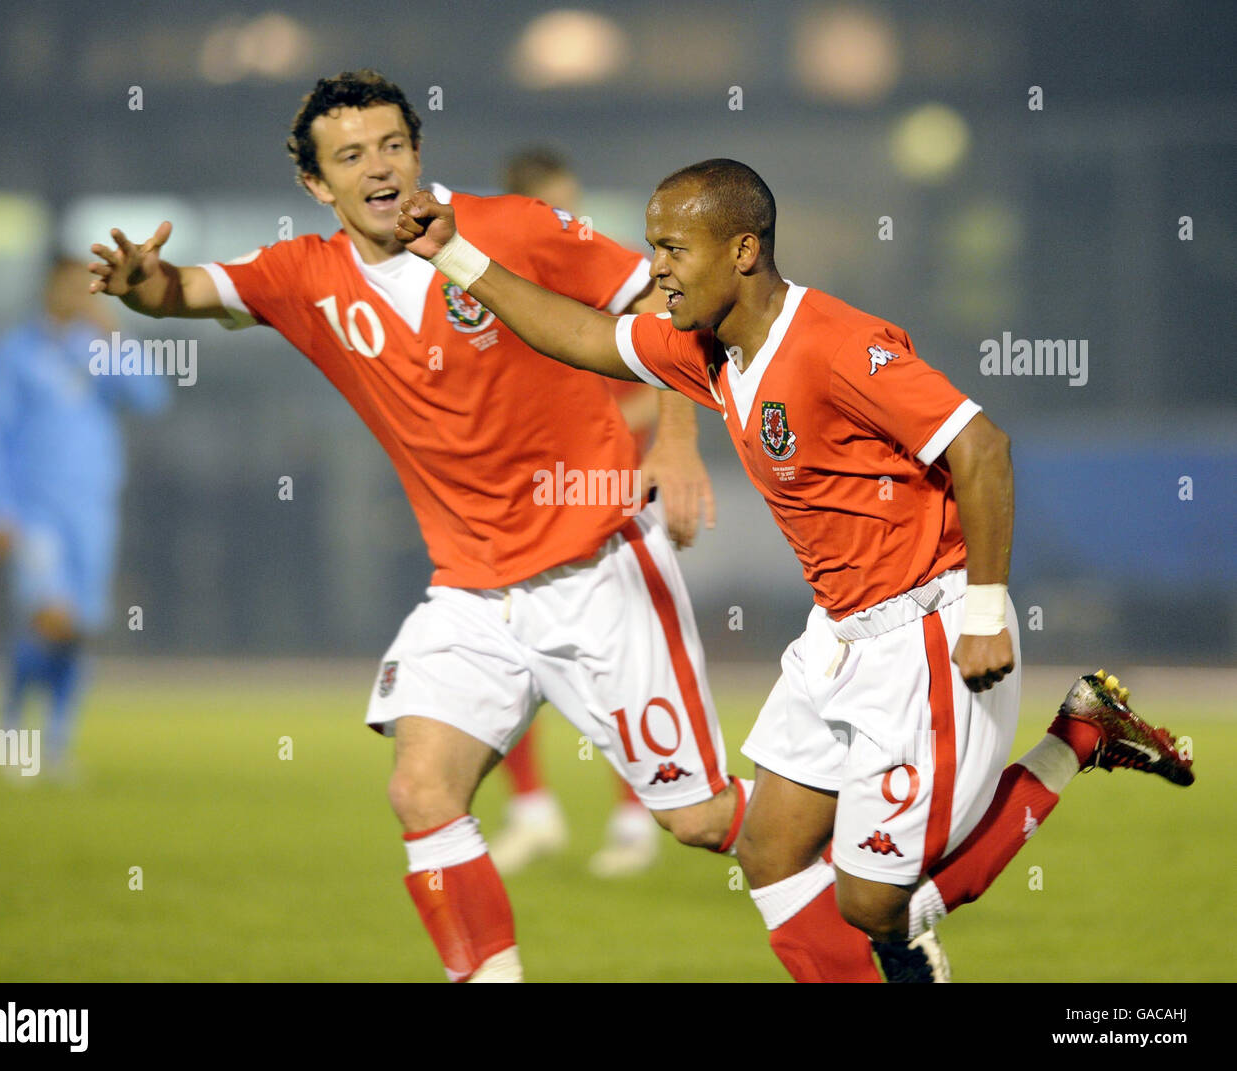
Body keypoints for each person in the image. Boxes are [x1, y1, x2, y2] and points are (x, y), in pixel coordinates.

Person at [393, 158, 1195, 982]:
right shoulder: (709, 348)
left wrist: (987, 609)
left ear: (742, 250)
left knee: (874, 906)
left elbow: (981, 446)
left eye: (673, 248)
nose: (656, 266)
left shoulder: (837, 344)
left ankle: (1081, 735)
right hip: (838, 635)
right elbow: (588, 337)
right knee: (770, 853)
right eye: (652, 246)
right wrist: (455, 256)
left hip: (928, 636)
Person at [87, 71, 749, 984]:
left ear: (418, 151)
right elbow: (184, 290)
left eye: (392, 145)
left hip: (599, 564)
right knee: (421, 790)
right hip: (472, 591)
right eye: (351, 156)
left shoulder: (511, 227)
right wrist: (137, 284)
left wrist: (675, 439)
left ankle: (882, 877)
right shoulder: (303, 276)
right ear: (317, 188)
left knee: (703, 823)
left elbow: (665, 308)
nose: (378, 167)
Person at [489, 145, 661, 879]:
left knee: (615, 662)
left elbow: (664, 370)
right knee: (503, 654)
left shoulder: (603, 279)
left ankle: (636, 818)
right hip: (525, 501)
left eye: (574, 204)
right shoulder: (488, 290)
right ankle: (533, 810)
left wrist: (631, 454)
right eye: (559, 208)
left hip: (609, 493)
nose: (574, 219)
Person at [0, 256, 169, 780]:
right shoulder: (13, 352)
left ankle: (56, 744)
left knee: (80, 627)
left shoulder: (97, 347)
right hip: (35, 512)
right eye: (72, 285)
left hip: (92, 511)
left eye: (88, 287)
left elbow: (151, 399)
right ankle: (9, 732)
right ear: (50, 288)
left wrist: (118, 338)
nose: (81, 295)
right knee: (47, 618)